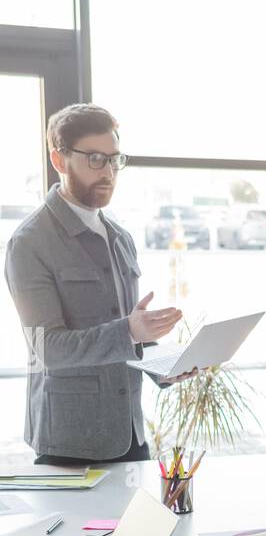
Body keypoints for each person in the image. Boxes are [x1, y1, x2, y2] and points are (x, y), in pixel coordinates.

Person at [4, 104, 186, 465]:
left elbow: (129, 332)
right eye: (95, 159)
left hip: (129, 434)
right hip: (69, 443)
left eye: (115, 160)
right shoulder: (30, 242)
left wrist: (168, 367)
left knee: (143, 524)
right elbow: (49, 350)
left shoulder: (119, 234)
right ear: (59, 160)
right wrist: (129, 331)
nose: (108, 172)